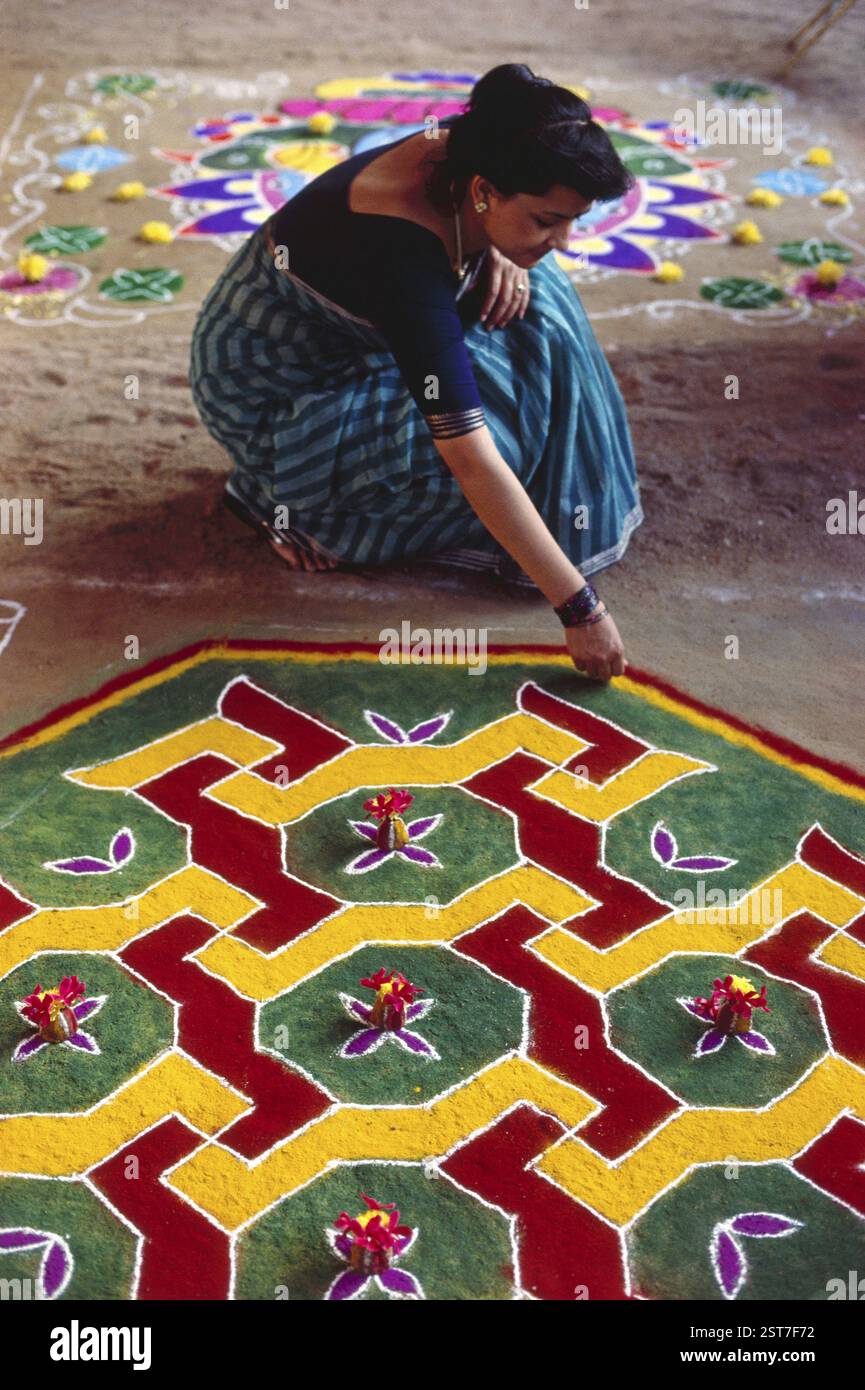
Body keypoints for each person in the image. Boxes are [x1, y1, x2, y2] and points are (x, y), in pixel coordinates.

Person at [189, 63, 644, 681]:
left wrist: (501, 246)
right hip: (278, 391)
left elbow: (508, 118)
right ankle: (285, 500)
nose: (564, 239)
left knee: (539, 296)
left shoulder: (493, 140)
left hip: (360, 337)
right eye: (546, 220)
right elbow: (469, 458)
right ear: (483, 191)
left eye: (572, 220)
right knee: (495, 450)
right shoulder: (404, 253)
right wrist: (580, 609)